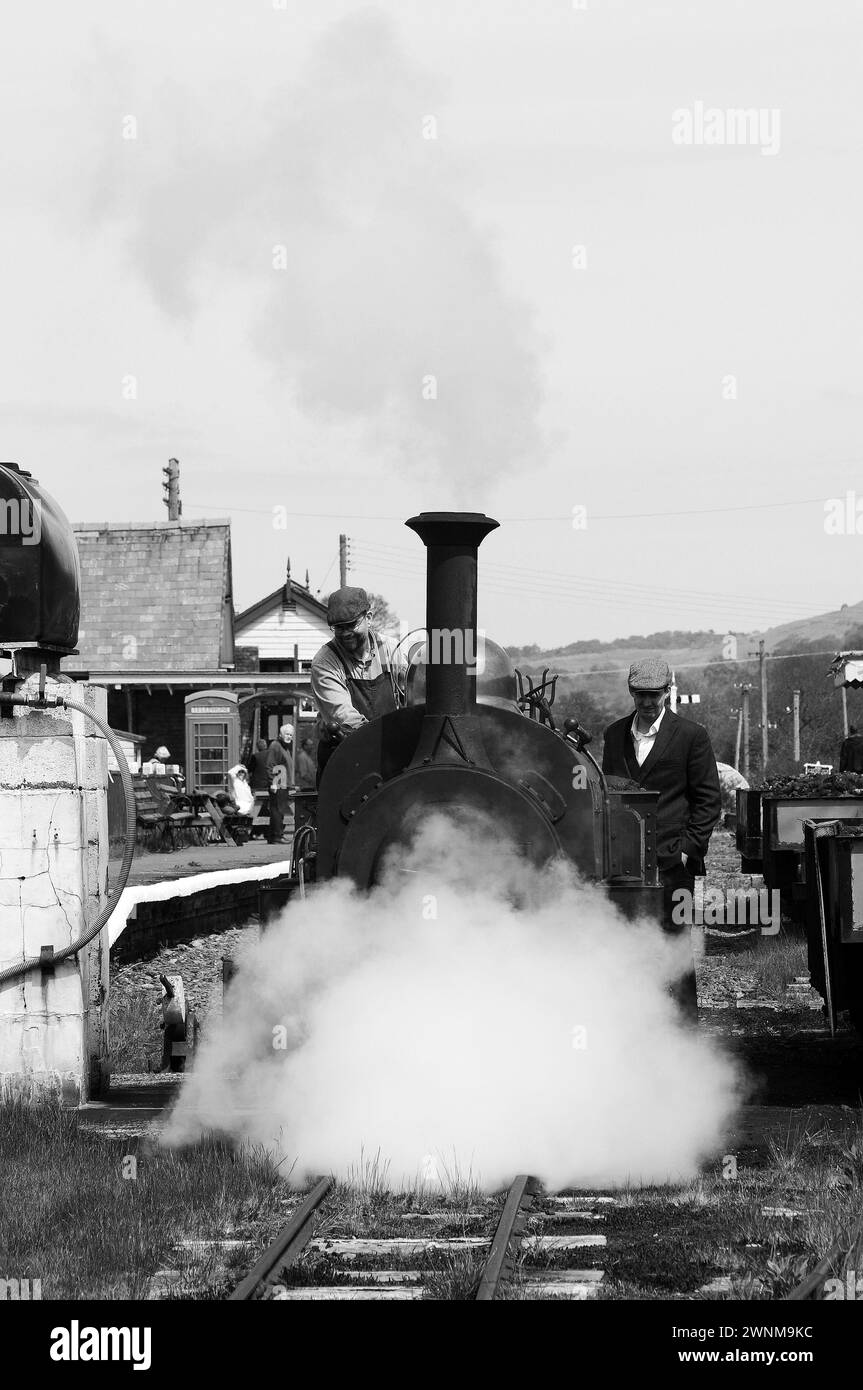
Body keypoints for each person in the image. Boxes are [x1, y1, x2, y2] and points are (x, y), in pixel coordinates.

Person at [602, 657, 721, 1022]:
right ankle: (632, 1022)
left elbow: (708, 799)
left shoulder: (691, 735)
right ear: (631, 693)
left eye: (654, 695)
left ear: (667, 692)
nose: (648, 702)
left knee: (676, 941)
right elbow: (608, 792)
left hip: (673, 861)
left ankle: (685, 1027)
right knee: (625, 939)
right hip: (624, 861)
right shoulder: (613, 734)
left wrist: (688, 851)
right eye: (641, 695)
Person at [310, 586, 407, 783]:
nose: (345, 633)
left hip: (389, 753)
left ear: (368, 618)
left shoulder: (391, 649)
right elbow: (343, 716)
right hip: (344, 755)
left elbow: (410, 695)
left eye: (351, 625)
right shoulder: (325, 661)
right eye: (338, 627)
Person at [266, 724, 295, 845]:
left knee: (279, 810)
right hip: (278, 783)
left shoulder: (285, 746)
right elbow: (270, 765)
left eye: (291, 735)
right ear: (280, 734)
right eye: (287, 734)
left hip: (283, 783)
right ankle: (277, 836)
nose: (289, 737)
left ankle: (274, 835)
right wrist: (272, 782)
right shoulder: (276, 746)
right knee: (277, 810)